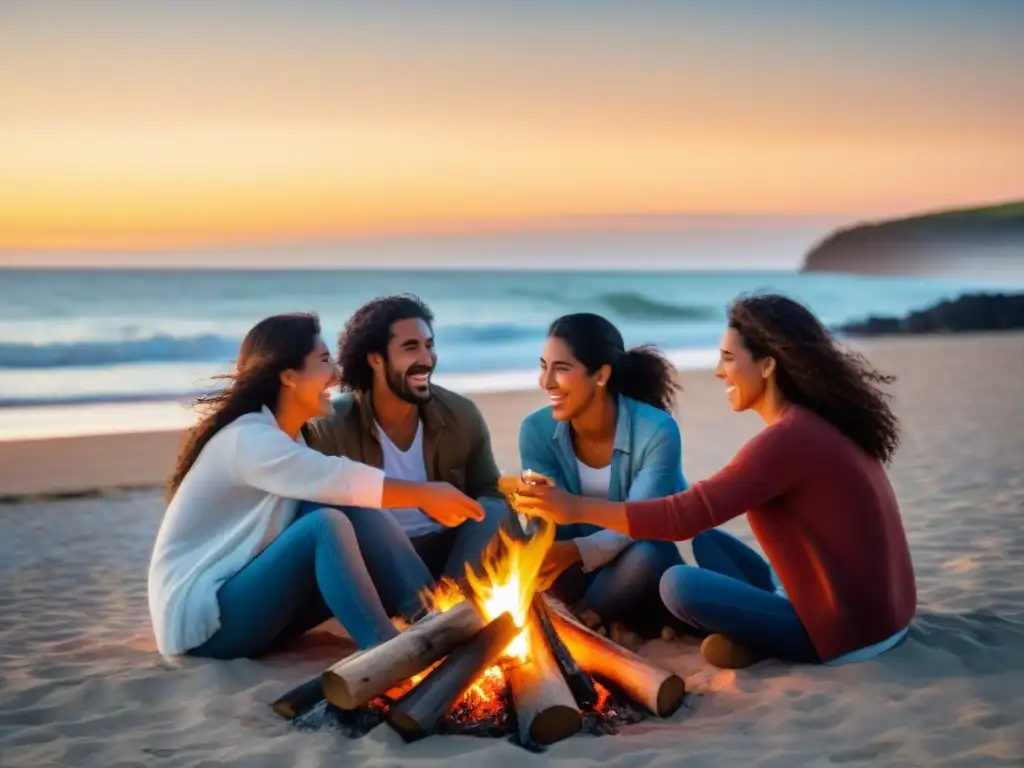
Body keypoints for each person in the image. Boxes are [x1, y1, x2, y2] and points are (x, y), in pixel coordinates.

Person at [512, 294, 917, 669]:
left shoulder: (786, 441)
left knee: (678, 584)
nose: (718, 371)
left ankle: (755, 642)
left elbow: (683, 516)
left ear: (767, 366)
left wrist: (576, 508)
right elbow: (696, 519)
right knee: (708, 541)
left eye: (728, 358)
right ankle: (749, 635)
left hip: (843, 634)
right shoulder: (815, 425)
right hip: (883, 617)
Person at [148, 313, 484, 660]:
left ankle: (430, 616)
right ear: (289, 376)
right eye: (324, 361)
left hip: (249, 606)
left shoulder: (287, 439)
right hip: (205, 625)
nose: (337, 374)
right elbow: (338, 477)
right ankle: (388, 651)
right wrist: (427, 494)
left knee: (341, 506)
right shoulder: (247, 439)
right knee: (325, 524)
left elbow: (340, 486)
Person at [303, 295, 513, 622]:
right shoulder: (331, 426)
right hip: (377, 565)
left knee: (496, 509)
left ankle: (452, 609)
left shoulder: (461, 414)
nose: (427, 359)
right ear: (375, 359)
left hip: (448, 557)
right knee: (361, 511)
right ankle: (430, 618)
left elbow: (490, 492)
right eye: (411, 347)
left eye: (429, 346)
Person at [518, 313, 687, 641]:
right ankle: (603, 620)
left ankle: (584, 619)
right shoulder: (536, 430)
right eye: (543, 367)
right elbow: (545, 519)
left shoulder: (656, 431)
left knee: (647, 555)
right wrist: (535, 540)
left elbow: (643, 520)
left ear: (601, 375)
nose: (546, 382)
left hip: (637, 563)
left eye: (561, 368)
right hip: (575, 571)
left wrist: (574, 550)